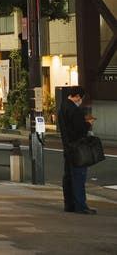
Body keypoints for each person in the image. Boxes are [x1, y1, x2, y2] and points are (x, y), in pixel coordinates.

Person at [56, 85, 97, 214]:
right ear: (78, 96)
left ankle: (69, 204)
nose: (81, 101)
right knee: (79, 176)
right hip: (77, 147)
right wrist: (88, 124)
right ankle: (80, 205)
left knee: (68, 176)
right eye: (81, 98)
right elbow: (79, 129)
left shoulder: (63, 107)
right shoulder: (75, 110)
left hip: (67, 146)